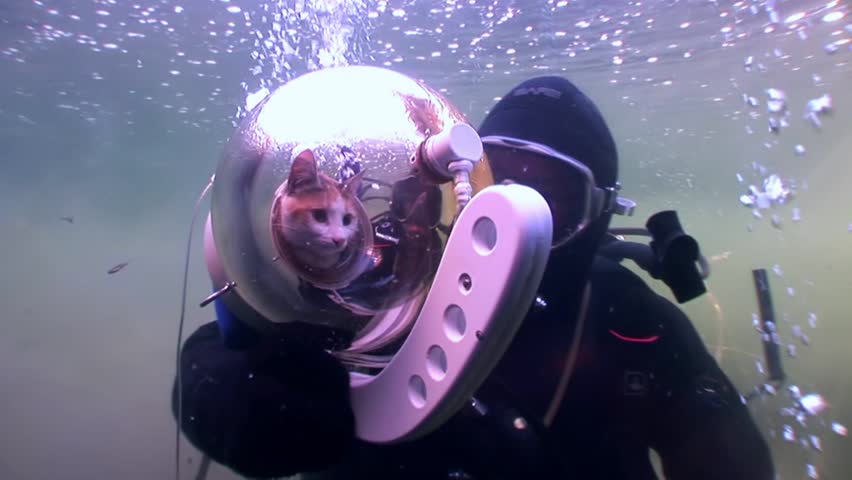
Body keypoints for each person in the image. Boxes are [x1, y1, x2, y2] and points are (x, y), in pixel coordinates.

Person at [174, 74, 775, 480]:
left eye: (553, 199)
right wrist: (232, 397)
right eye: (497, 182)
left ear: (597, 217)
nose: (515, 220)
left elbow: (733, 463)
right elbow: (222, 353)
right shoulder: (393, 278)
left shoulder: (629, 320)